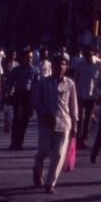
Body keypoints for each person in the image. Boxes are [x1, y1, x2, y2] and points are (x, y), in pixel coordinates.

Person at [33, 54, 78, 193]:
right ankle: (37, 169)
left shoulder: (70, 84)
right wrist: (44, 114)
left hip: (64, 123)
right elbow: (36, 102)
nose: (60, 67)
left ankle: (50, 183)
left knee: (58, 155)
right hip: (46, 123)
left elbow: (73, 105)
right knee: (44, 151)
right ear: (52, 66)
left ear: (66, 67)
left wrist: (75, 124)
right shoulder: (43, 82)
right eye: (57, 64)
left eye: (63, 64)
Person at [4, 48, 39, 150]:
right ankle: (14, 142)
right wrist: (7, 95)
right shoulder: (16, 70)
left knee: (25, 120)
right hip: (18, 95)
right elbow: (10, 84)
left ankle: (20, 142)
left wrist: (35, 101)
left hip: (29, 96)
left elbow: (37, 86)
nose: (29, 59)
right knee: (16, 119)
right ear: (22, 58)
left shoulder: (35, 70)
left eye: (31, 57)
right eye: (27, 57)